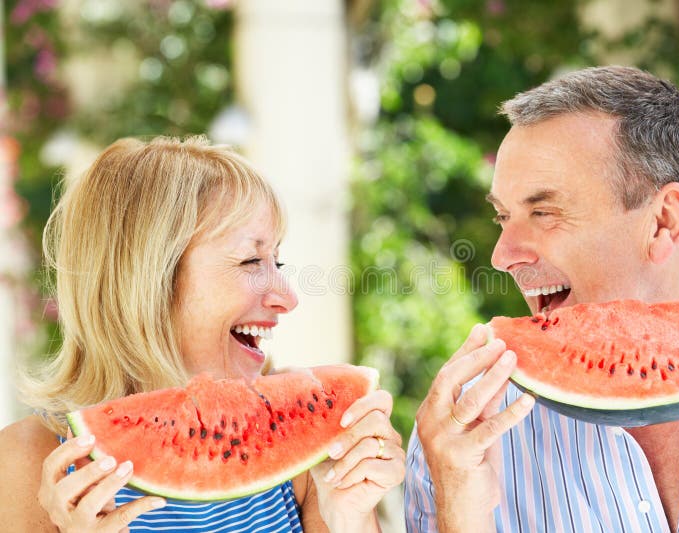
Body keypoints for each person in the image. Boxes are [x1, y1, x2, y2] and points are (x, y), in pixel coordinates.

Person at [405, 66, 679, 532]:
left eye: (544, 212)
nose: (502, 256)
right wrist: (460, 509)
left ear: (663, 222)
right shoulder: (463, 434)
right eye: (503, 217)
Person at [0, 136, 405, 532]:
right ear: (149, 281)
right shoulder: (28, 461)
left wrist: (350, 519)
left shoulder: (307, 465)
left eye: (277, 261)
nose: (288, 297)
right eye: (251, 260)